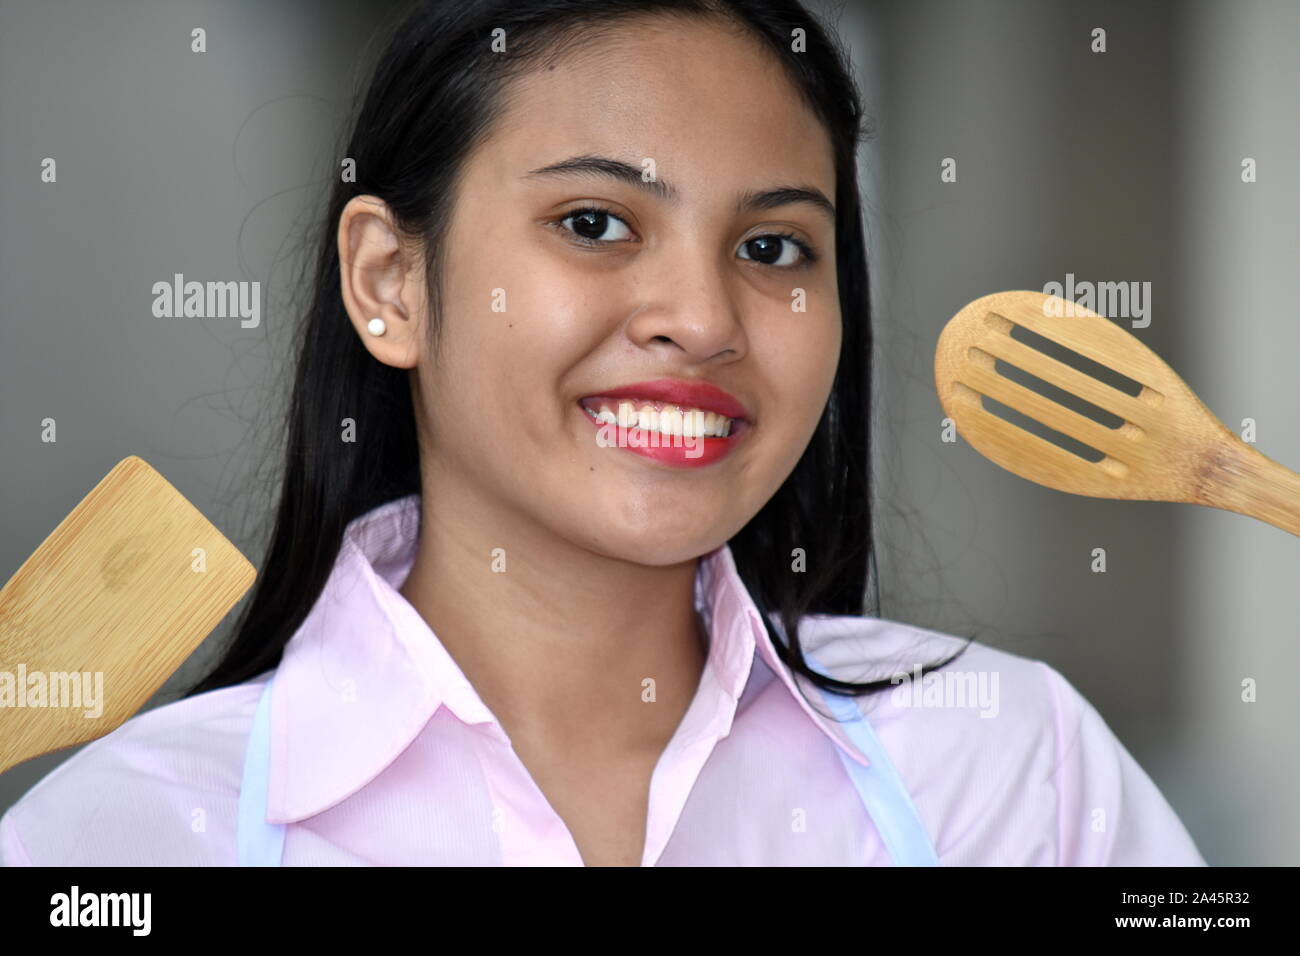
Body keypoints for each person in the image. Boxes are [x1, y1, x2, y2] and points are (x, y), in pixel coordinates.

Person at [0, 0, 1205, 867]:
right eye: (593, 220)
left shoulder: (1009, 773)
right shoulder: (122, 838)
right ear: (390, 281)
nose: (699, 318)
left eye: (774, 246)